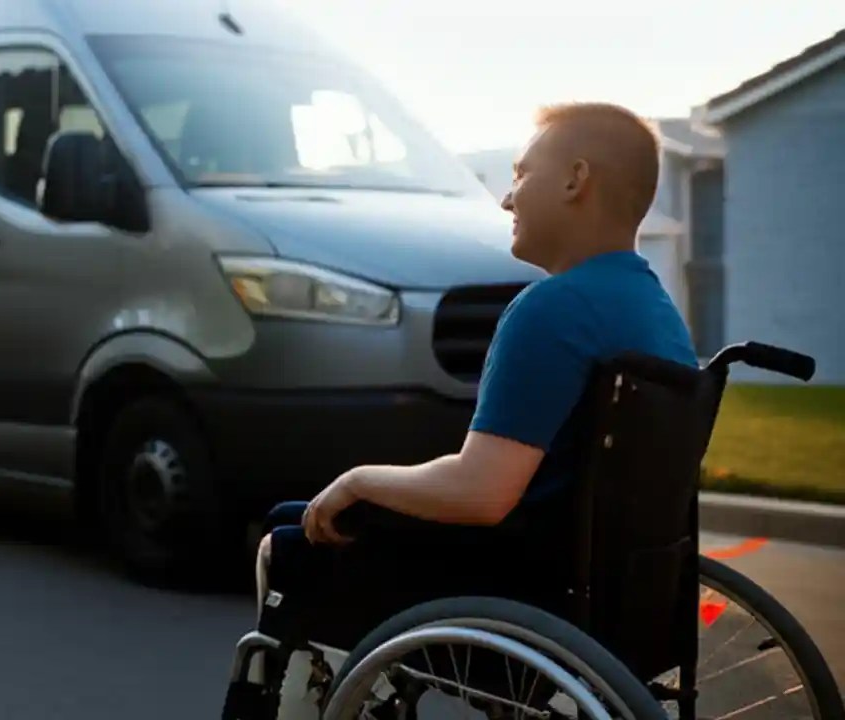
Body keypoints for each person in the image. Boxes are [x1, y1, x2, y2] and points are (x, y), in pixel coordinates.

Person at [251, 102, 699, 652]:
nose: (507, 199)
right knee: (303, 517)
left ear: (574, 180)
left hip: (530, 594)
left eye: (521, 174)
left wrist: (358, 478)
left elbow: (482, 493)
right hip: (620, 590)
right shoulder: (658, 313)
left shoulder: (553, 309)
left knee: (290, 540)